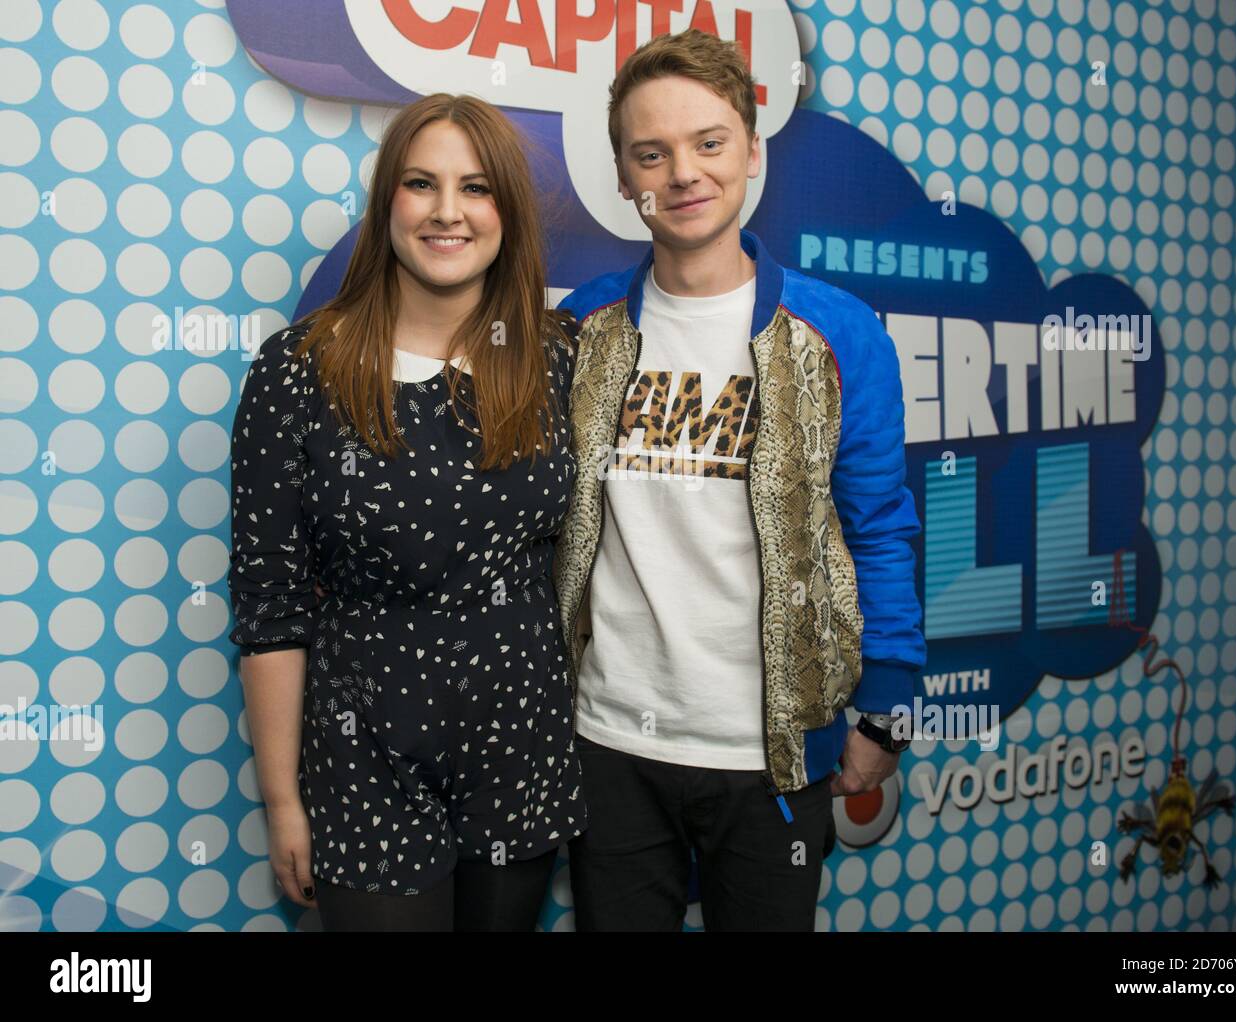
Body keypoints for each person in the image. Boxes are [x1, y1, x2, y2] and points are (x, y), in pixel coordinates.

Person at [554, 29, 926, 931]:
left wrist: (888, 711)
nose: (683, 172)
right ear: (623, 175)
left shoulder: (840, 334)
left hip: (778, 755)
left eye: (709, 143)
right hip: (609, 742)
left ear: (753, 149)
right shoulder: (579, 329)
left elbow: (878, 525)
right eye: (653, 152)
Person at [227, 93, 586, 932]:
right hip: (364, 758)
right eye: (422, 184)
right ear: (388, 198)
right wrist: (283, 799)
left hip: (521, 746)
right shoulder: (297, 370)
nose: (448, 212)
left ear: (508, 211)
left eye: (477, 187)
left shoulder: (562, 359)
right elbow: (271, 606)